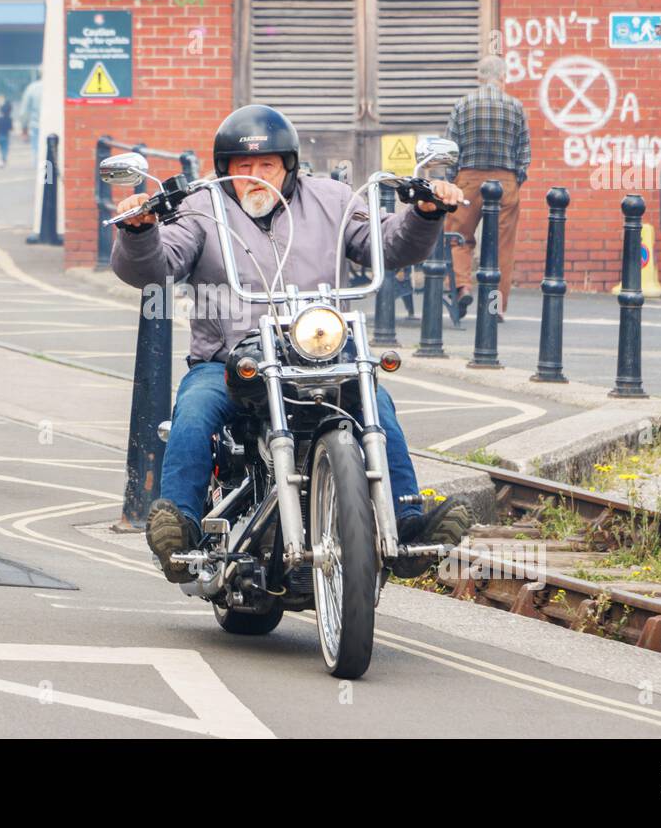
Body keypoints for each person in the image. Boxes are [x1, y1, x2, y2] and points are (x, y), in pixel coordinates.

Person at [111, 104, 470, 581]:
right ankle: (181, 529)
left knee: (377, 407)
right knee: (193, 409)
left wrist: (423, 214)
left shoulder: (334, 199)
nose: (256, 178)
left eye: (267, 167)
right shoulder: (202, 207)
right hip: (230, 360)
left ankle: (406, 526)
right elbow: (158, 267)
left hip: (320, 354)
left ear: (288, 167)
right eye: (244, 168)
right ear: (225, 171)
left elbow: (384, 243)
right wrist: (140, 233)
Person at [442, 55, 531, 323]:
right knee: (502, 246)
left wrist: (454, 180)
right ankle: (496, 307)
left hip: (467, 181)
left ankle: (462, 288)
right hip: (504, 183)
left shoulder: (462, 105)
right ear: (503, 78)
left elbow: (450, 150)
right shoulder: (516, 107)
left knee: (459, 237)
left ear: (479, 77)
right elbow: (524, 153)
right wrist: (515, 181)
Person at [17, 72, 42, 160]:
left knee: (37, 151)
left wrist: (24, 129)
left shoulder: (32, 88)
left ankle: (40, 171)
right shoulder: (59, 88)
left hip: (36, 125)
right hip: (56, 126)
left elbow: (24, 111)